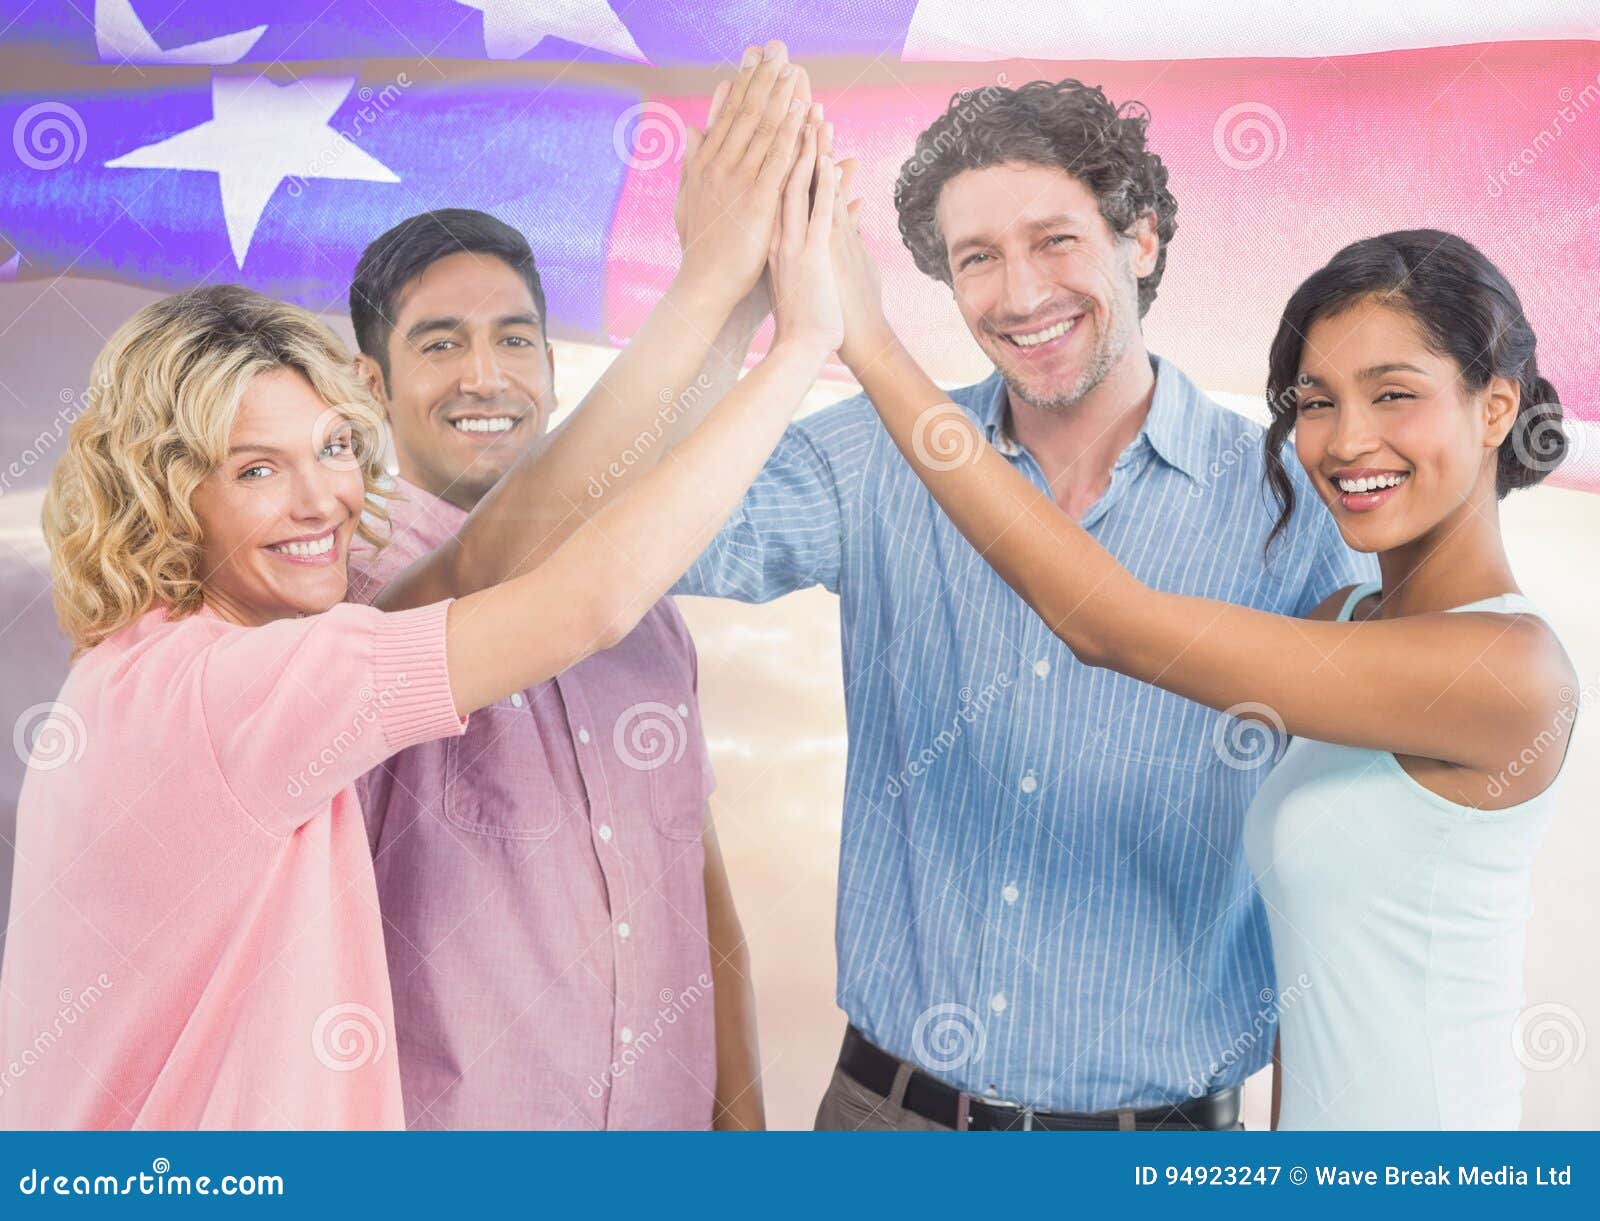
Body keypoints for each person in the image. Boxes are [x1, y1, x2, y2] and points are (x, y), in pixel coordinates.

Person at [0, 109, 842, 1128]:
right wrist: (797, 341)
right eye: (256, 469)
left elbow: (491, 560)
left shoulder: (208, 653)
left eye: (333, 449)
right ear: (167, 488)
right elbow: (583, 598)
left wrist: (732, 297)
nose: (323, 503)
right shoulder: (233, 684)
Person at [575, 65, 1375, 1130]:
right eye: (977, 258)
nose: (1020, 294)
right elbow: (618, 535)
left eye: (1055, 240)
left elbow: (1344, 883)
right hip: (884, 1128)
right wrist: (721, 292)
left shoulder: (1298, 510)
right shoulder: (867, 457)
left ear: (1139, 239)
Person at [829, 202, 1578, 1128]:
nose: (1346, 441)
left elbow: (1111, 624)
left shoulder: (1509, 669)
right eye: (1316, 401)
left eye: (1393, 394)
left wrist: (870, 344)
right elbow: (1315, 984)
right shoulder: (1346, 620)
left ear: (1496, 406)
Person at [340, 45, 812, 1129]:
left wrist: (744, 1128)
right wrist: (721, 296)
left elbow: (695, 879)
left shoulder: (645, 611)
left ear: (553, 371)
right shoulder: (352, 600)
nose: (487, 375)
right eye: (441, 344)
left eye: (516, 340)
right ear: (372, 383)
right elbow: (497, 570)